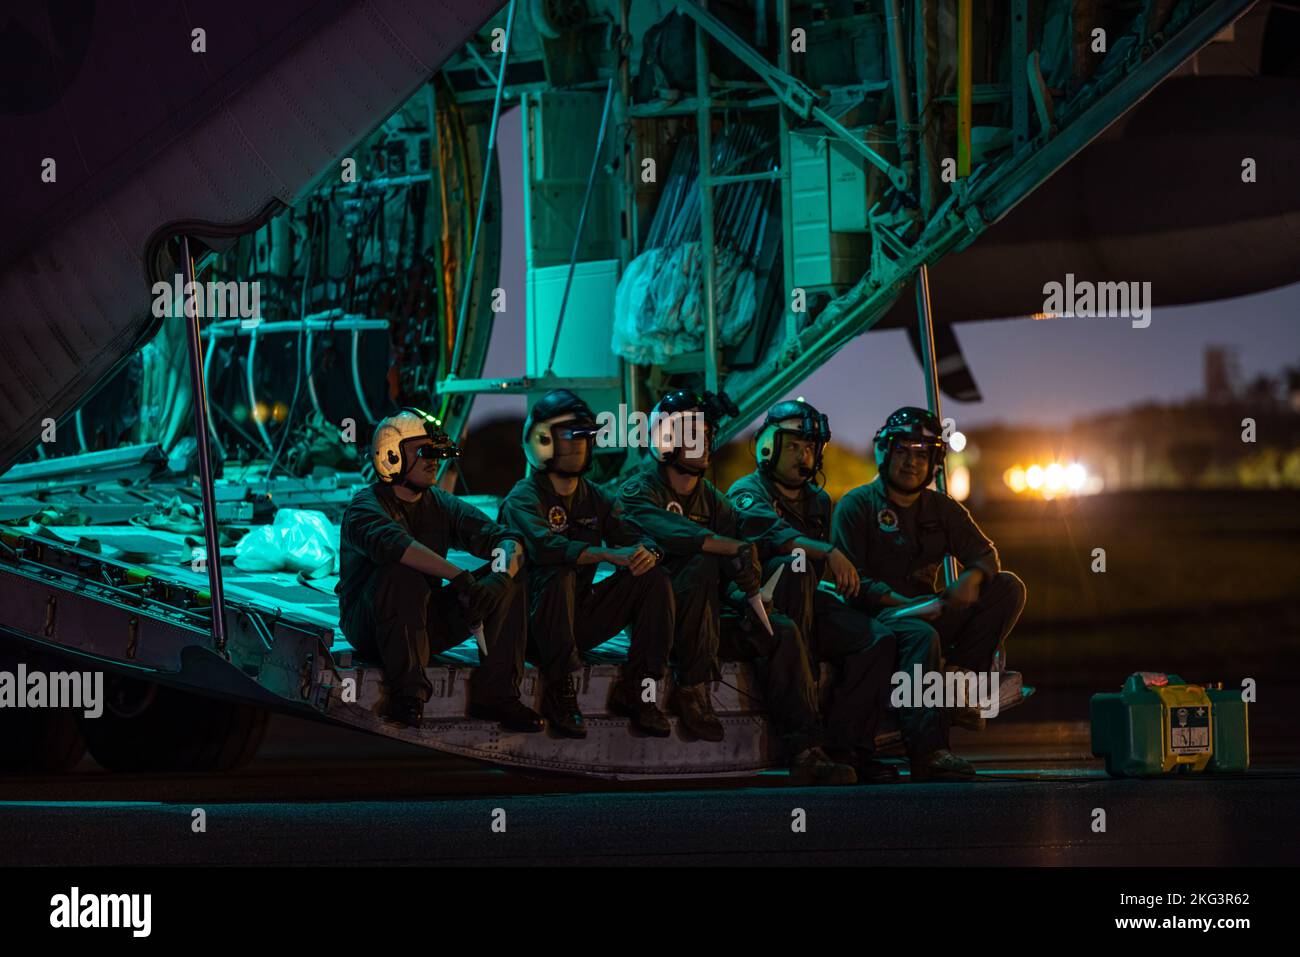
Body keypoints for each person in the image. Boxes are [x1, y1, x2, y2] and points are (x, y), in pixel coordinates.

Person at [618, 390, 858, 785]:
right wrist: (729, 549)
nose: (707, 443)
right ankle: (692, 687)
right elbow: (679, 535)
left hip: (710, 622)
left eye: (709, 434)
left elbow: (734, 567)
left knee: (780, 628)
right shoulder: (637, 491)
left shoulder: (715, 501)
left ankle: (805, 749)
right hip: (661, 626)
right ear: (664, 438)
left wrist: (746, 583)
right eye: (694, 433)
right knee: (698, 563)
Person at [728, 399, 974, 782]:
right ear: (767, 446)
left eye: (810, 447)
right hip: (760, 609)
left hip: (809, 603)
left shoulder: (818, 501)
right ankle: (804, 751)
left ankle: (850, 749)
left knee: (875, 639)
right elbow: (775, 538)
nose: (803, 456)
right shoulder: (746, 492)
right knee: (792, 566)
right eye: (793, 446)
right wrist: (828, 552)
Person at [337, 408, 543, 732]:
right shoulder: (364, 508)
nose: (435, 461)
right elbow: (399, 546)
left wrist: (500, 579)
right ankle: (408, 694)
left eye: (438, 453)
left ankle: (497, 695)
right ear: (391, 454)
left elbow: (505, 538)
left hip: (423, 621)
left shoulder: (439, 502)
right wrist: (460, 578)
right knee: (402, 574)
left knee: (512, 576)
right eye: (426, 453)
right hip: (371, 626)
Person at [832, 406, 1027, 731]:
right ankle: (924, 737)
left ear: (934, 464)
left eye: (921, 455)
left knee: (1008, 586)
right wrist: (905, 606)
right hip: (877, 618)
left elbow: (985, 554)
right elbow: (855, 583)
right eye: (902, 452)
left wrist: (972, 577)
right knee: (920, 633)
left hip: (929, 611)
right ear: (884, 452)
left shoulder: (942, 508)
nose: (911, 462)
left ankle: (959, 681)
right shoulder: (857, 505)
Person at [499, 389, 674, 739]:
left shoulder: (596, 497)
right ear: (542, 441)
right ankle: (559, 689)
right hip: (530, 628)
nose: (579, 446)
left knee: (654, 578)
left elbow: (636, 535)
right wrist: (610, 555)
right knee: (559, 572)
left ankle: (640, 688)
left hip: (576, 619)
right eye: (570, 437)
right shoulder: (523, 498)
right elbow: (548, 548)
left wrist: (647, 553)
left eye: (585, 437)